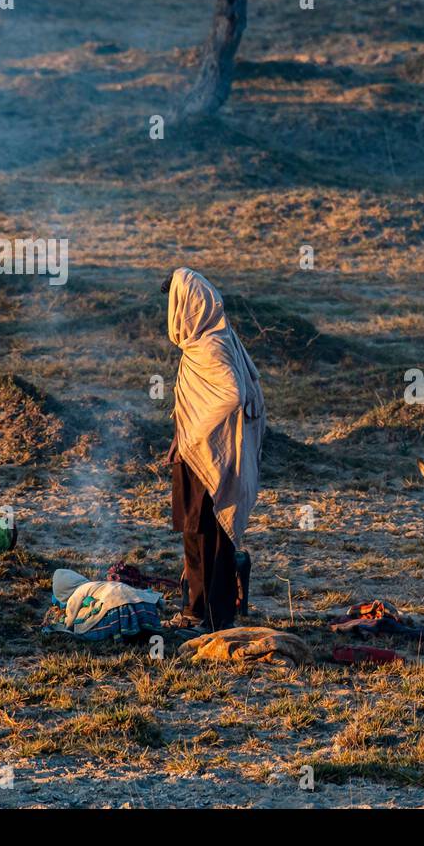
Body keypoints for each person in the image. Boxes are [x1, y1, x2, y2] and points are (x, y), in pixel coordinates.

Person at [163, 268, 265, 634]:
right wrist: (182, 434)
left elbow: (232, 395)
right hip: (202, 451)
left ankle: (204, 615)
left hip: (205, 455)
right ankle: (210, 612)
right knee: (203, 532)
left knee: (204, 535)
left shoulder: (210, 346)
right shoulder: (215, 338)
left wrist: (194, 433)